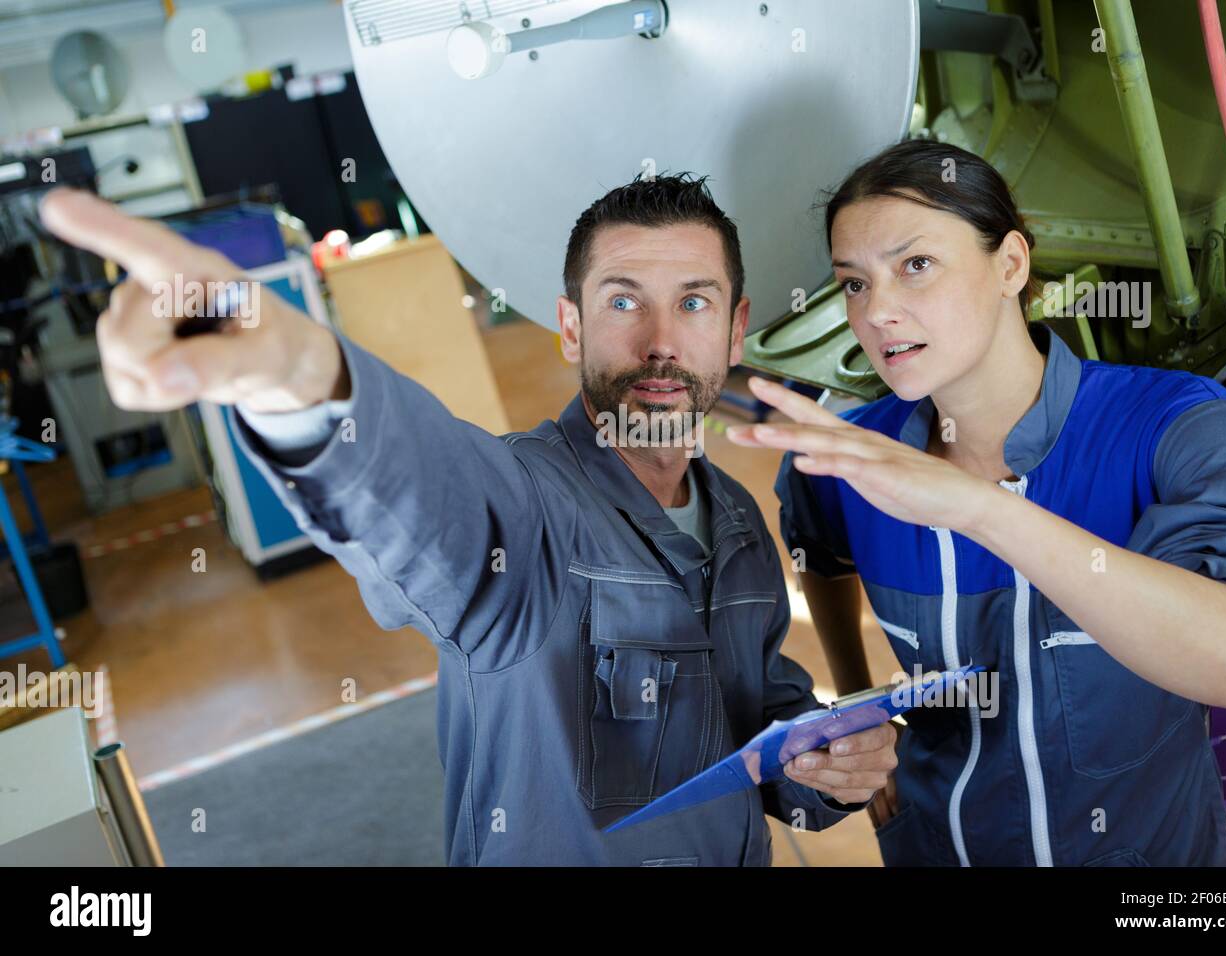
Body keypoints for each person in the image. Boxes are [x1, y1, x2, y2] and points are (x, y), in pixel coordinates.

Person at [39, 173, 895, 866]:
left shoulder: (739, 523)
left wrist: (821, 769)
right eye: (623, 302)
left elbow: (754, 721)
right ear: (569, 328)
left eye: (696, 303)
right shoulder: (530, 505)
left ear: (738, 328)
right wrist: (303, 376)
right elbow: (425, 488)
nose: (662, 341)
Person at [728, 139, 1226, 866]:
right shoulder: (854, 455)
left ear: (1011, 265)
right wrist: (859, 705)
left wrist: (978, 507)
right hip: (942, 844)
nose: (877, 312)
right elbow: (821, 552)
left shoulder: (1173, 423)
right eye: (854, 283)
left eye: (916, 266)